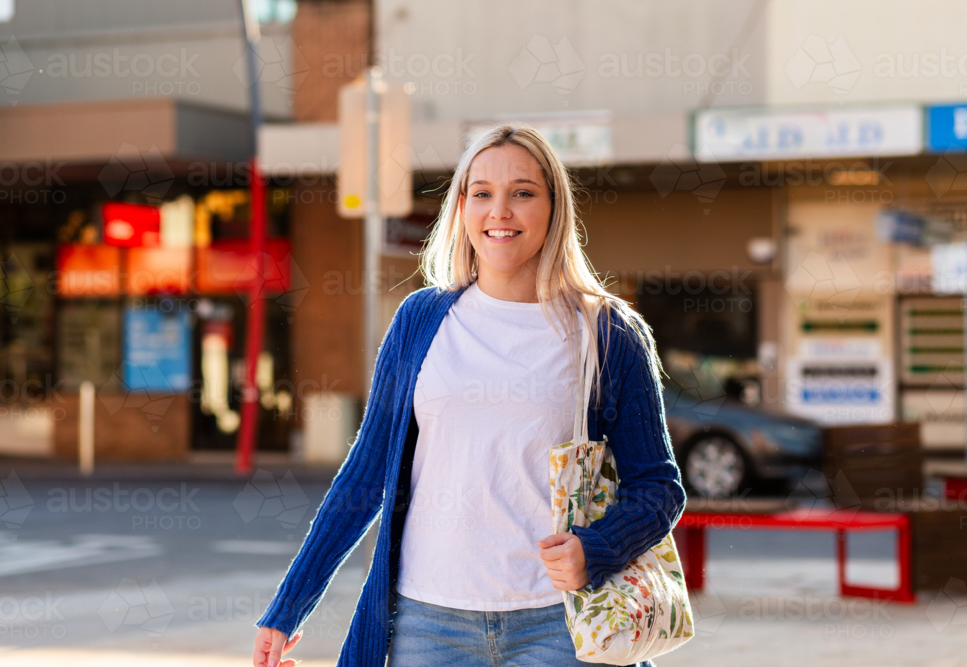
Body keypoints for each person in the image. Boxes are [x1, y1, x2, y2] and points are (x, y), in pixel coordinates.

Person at [252, 123, 686, 667]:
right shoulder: (420, 321)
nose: (499, 211)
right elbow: (363, 477)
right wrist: (289, 606)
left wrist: (594, 553)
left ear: (554, 208)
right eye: (482, 193)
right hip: (427, 621)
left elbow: (658, 487)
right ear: (461, 207)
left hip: (560, 622)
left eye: (522, 193)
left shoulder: (607, 333)